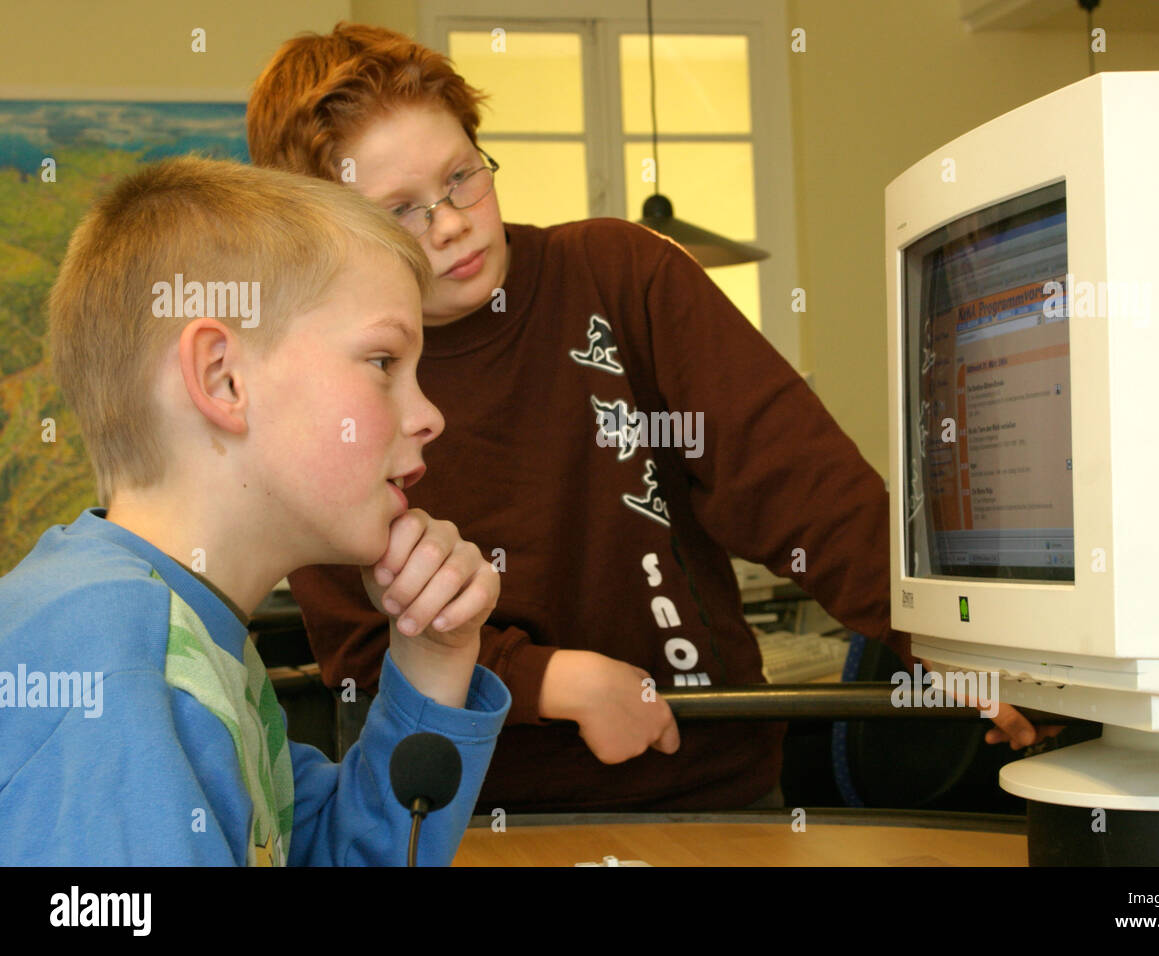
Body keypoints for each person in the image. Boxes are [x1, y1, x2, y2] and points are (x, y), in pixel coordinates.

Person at [246, 23, 1058, 813]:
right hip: (468, 811)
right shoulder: (319, 375)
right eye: (402, 211)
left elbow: (802, 485)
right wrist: (551, 681)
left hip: (712, 784)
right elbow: (356, 646)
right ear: (331, 228)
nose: (452, 222)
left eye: (462, 176)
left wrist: (955, 652)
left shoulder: (619, 274)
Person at [0, 156, 508, 865]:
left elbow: (332, 855)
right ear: (223, 378)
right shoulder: (118, 672)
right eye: (385, 362)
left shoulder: (184, 635)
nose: (430, 416)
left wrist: (432, 659)